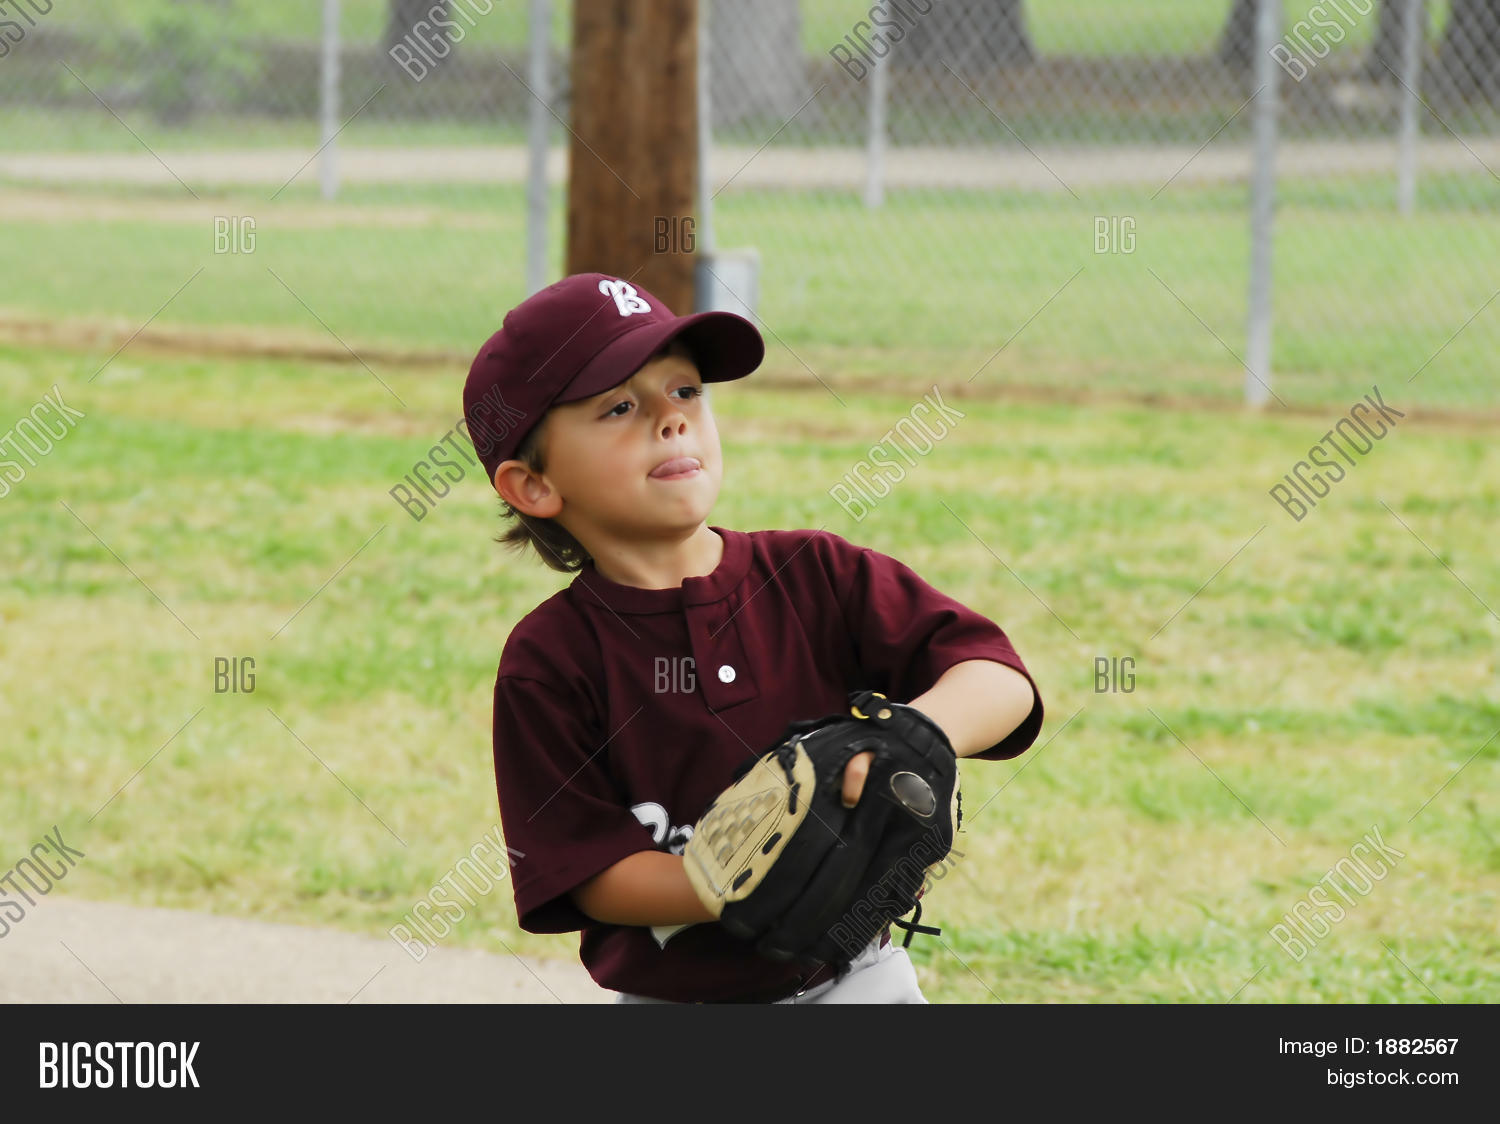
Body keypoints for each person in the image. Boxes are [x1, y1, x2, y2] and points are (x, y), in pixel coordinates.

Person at [462, 272, 1044, 1003]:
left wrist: (910, 736)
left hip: (857, 976)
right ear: (534, 486)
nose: (672, 421)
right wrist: (727, 881)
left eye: (686, 392)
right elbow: (584, 869)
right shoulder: (551, 660)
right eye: (619, 406)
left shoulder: (816, 574)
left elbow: (1000, 680)